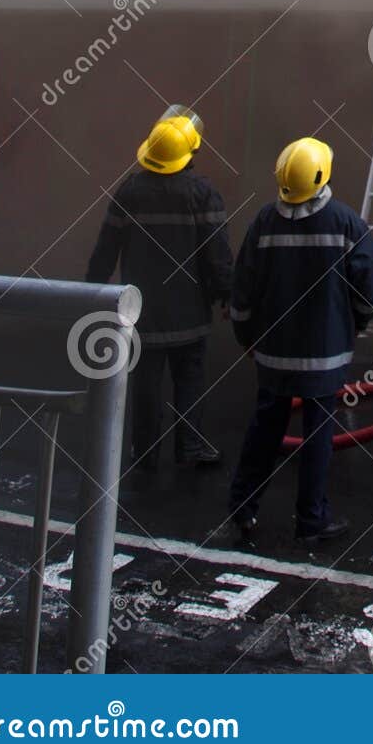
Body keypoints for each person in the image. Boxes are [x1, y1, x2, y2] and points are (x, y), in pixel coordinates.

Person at [228, 136, 373, 545]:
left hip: (274, 354)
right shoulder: (347, 223)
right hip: (325, 356)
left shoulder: (263, 222)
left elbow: (242, 288)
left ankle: (243, 507)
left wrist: (246, 335)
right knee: (317, 438)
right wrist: (357, 323)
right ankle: (311, 521)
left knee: (265, 429)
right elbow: (367, 288)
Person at [86, 106, 232, 475]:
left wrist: (90, 292)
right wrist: (228, 294)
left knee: (146, 383)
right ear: (190, 154)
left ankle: (145, 450)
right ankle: (190, 446)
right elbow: (217, 255)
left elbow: (106, 249)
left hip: (141, 313)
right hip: (189, 311)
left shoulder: (129, 192)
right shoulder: (203, 194)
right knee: (189, 378)